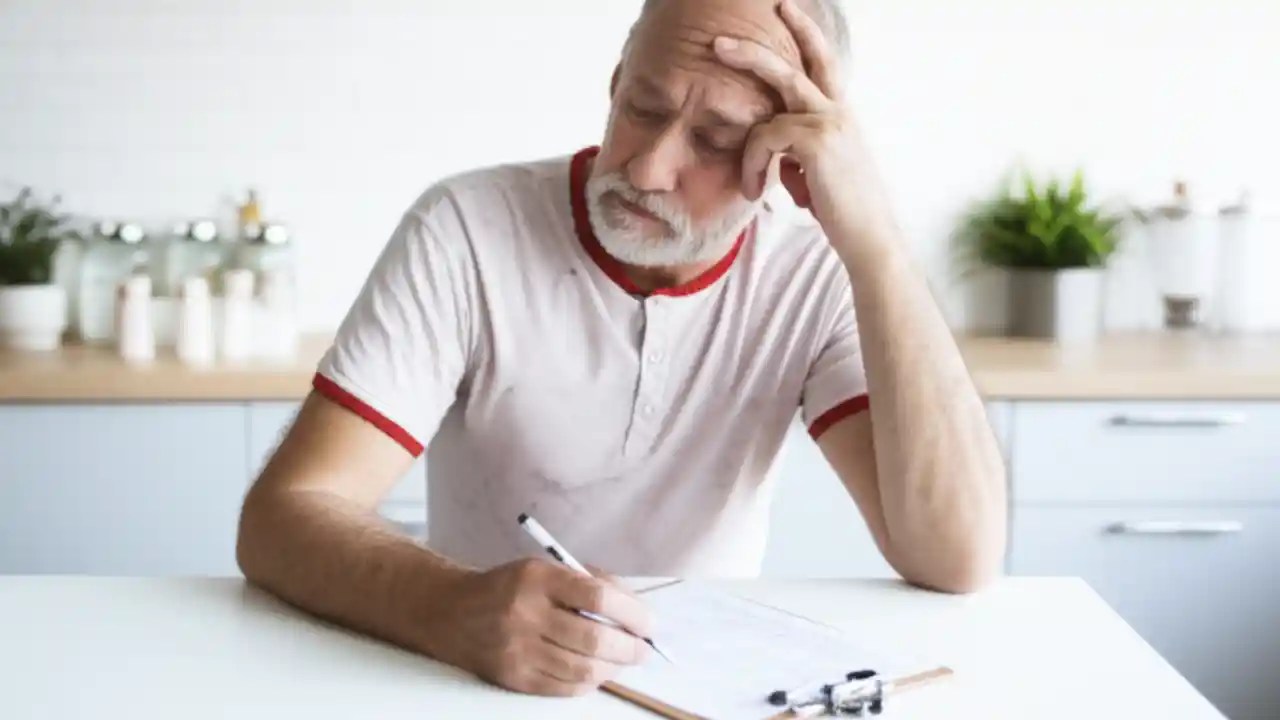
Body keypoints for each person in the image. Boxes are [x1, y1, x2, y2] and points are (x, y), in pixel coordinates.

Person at [237, 0, 1007, 698]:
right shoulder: (466, 230)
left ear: (785, 160)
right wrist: (449, 607)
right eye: (644, 107)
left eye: (713, 141)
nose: (647, 167)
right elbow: (282, 518)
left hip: (711, 696)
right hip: (478, 686)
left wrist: (875, 240)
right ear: (614, 85)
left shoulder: (814, 274)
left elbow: (957, 557)